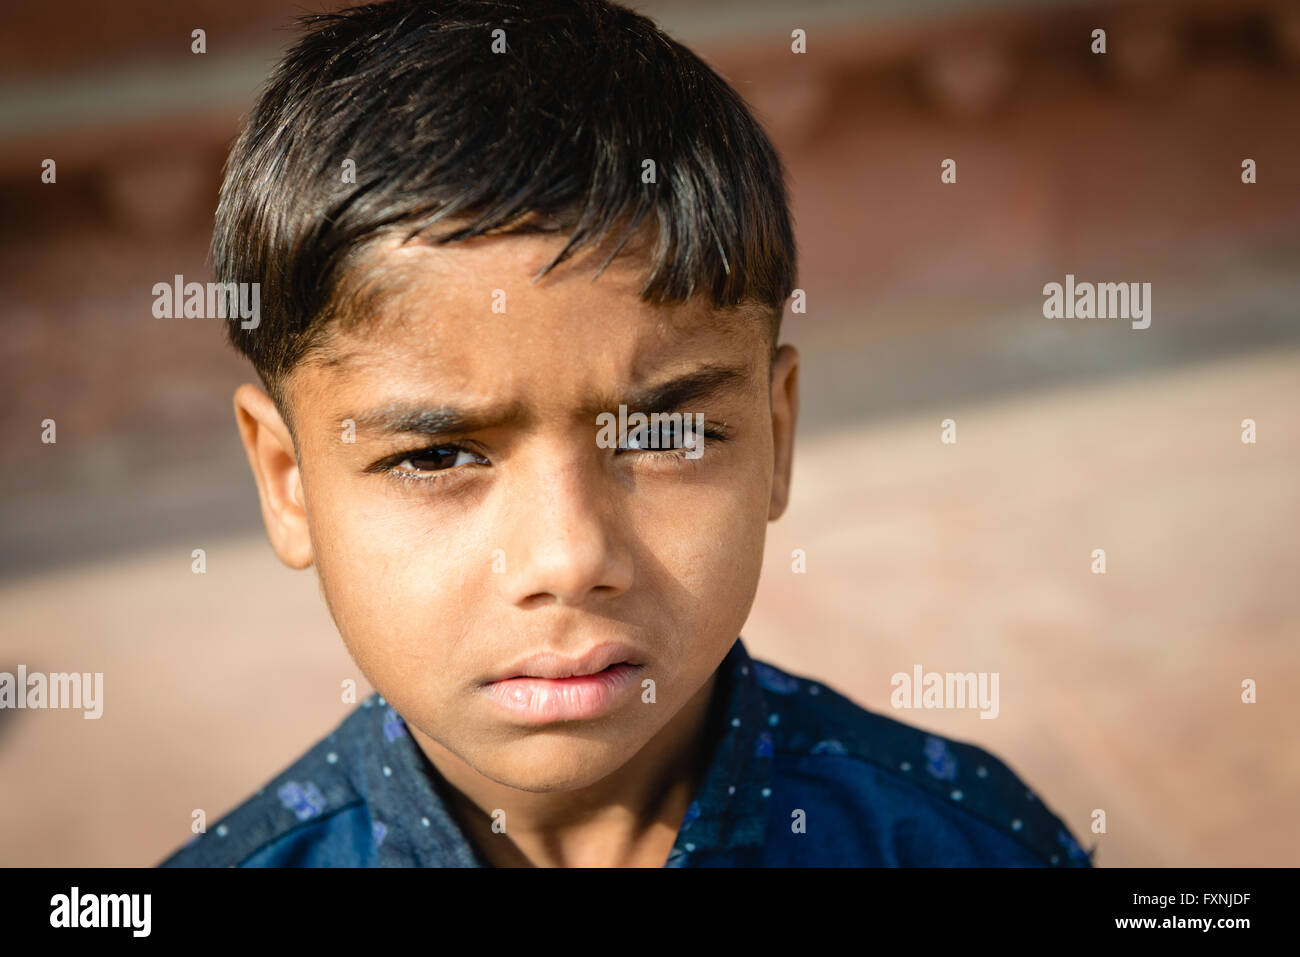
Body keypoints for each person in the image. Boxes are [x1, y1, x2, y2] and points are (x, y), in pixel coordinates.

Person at [161, 0, 1091, 868]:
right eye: (437, 456)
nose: (569, 558)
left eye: (668, 432)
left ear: (775, 432)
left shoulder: (957, 840)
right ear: (288, 480)